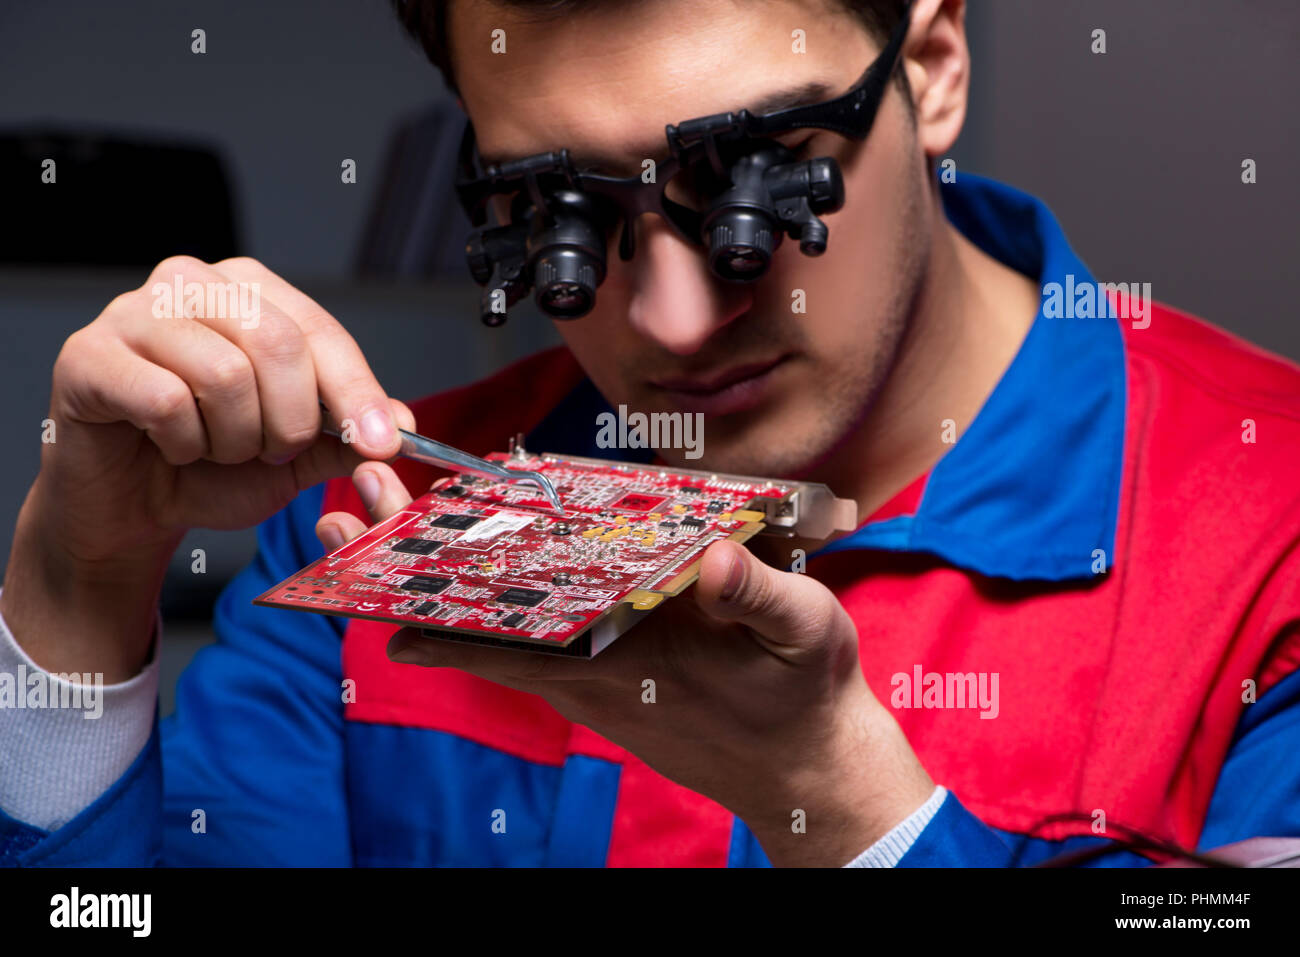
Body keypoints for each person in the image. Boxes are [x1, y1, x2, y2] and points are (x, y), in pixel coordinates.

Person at [2, 0, 1298, 868]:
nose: (673, 321)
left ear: (930, 68)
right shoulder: (376, 540)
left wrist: (852, 811)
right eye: (559, 210)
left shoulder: (1271, 531)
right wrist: (71, 600)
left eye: (753, 190)